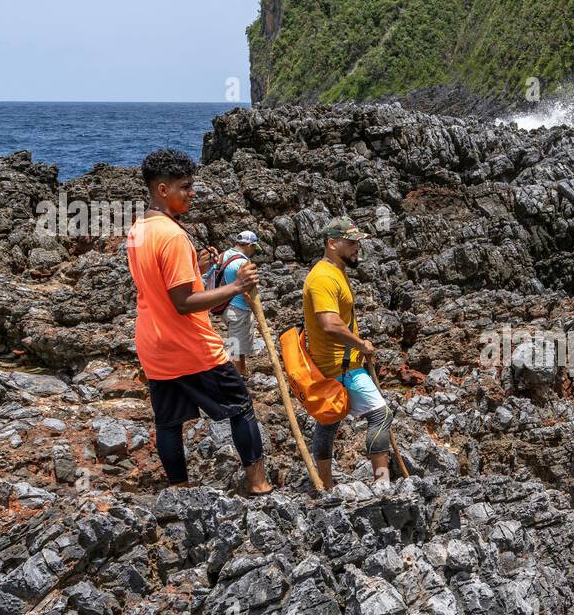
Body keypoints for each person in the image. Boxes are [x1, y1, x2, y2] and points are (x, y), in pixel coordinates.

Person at [126, 149, 271, 494]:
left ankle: (179, 490)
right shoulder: (174, 236)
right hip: (190, 346)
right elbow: (183, 303)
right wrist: (236, 286)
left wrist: (198, 270)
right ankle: (258, 483)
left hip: (153, 343)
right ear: (162, 190)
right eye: (185, 187)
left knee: (169, 422)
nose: (192, 193)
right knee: (241, 406)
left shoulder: (138, 230)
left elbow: (159, 285)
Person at [302, 215, 392, 490]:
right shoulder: (322, 277)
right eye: (351, 242)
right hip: (340, 367)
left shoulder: (334, 271)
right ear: (332, 243)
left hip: (339, 364)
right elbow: (330, 324)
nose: (357, 247)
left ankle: (325, 485)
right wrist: (361, 345)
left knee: (328, 420)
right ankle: (382, 484)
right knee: (381, 414)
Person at [214, 230, 260, 377]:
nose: (253, 251)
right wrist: (257, 312)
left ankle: (242, 372)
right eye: (254, 248)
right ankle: (236, 376)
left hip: (225, 306)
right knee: (235, 347)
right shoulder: (243, 263)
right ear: (250, 245)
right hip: (239, 308)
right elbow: (247, 292)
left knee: (236, 343)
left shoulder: (223, 255)